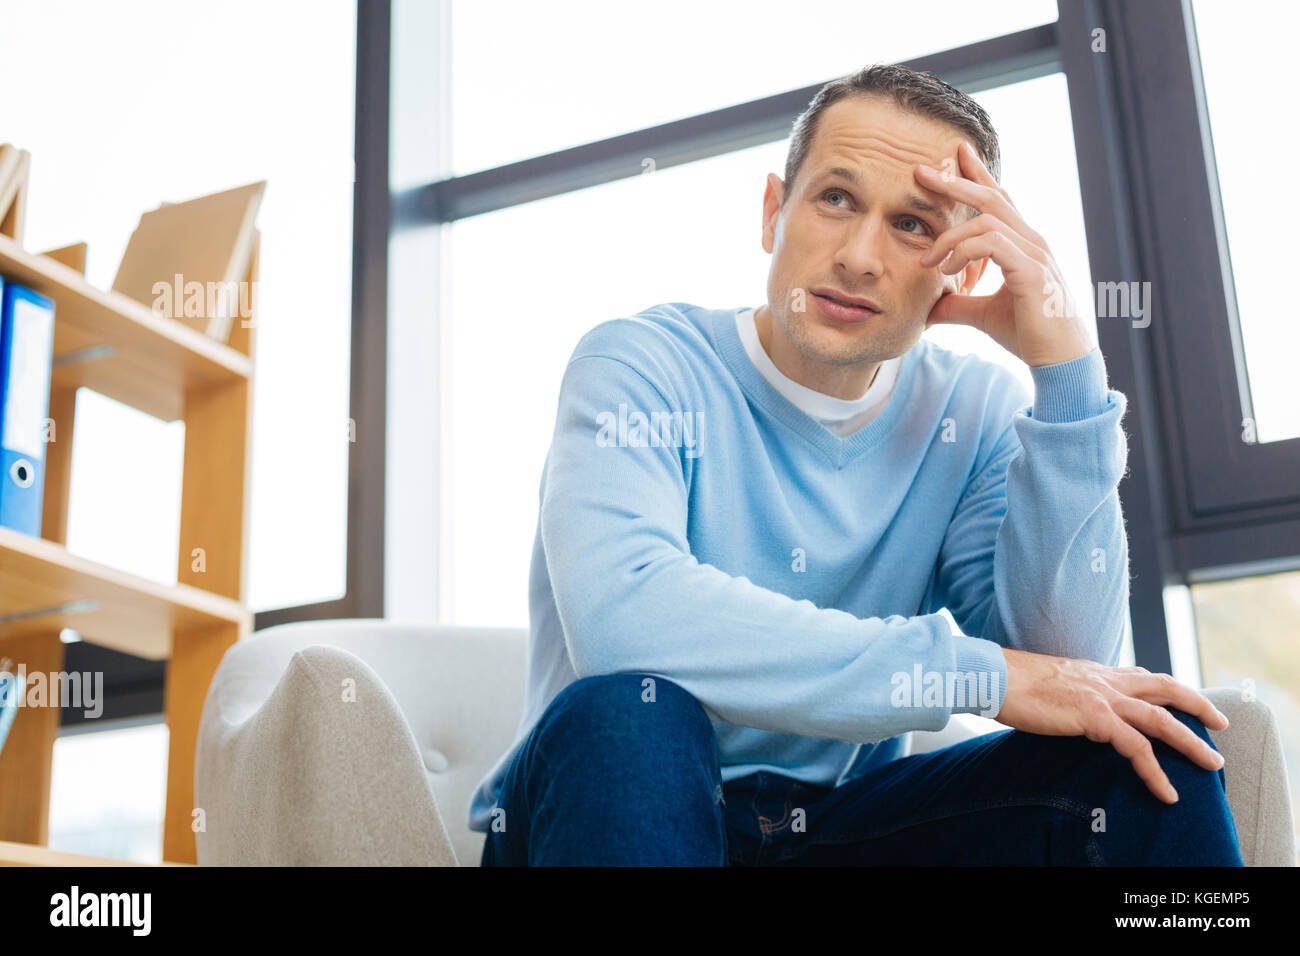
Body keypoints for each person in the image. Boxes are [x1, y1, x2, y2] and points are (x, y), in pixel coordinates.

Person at [468, 63, 1242, 866]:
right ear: (774, 212)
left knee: (1142, 742)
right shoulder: (641, 364)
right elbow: (627, 625)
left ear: (964, 268)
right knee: (635, 709)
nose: (861, 256)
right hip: (607, 805)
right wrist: (976, 675)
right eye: (836, 199)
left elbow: (1068, 669)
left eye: (913, 225)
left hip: (832, 828)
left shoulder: (970, 412)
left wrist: (1070, 377)